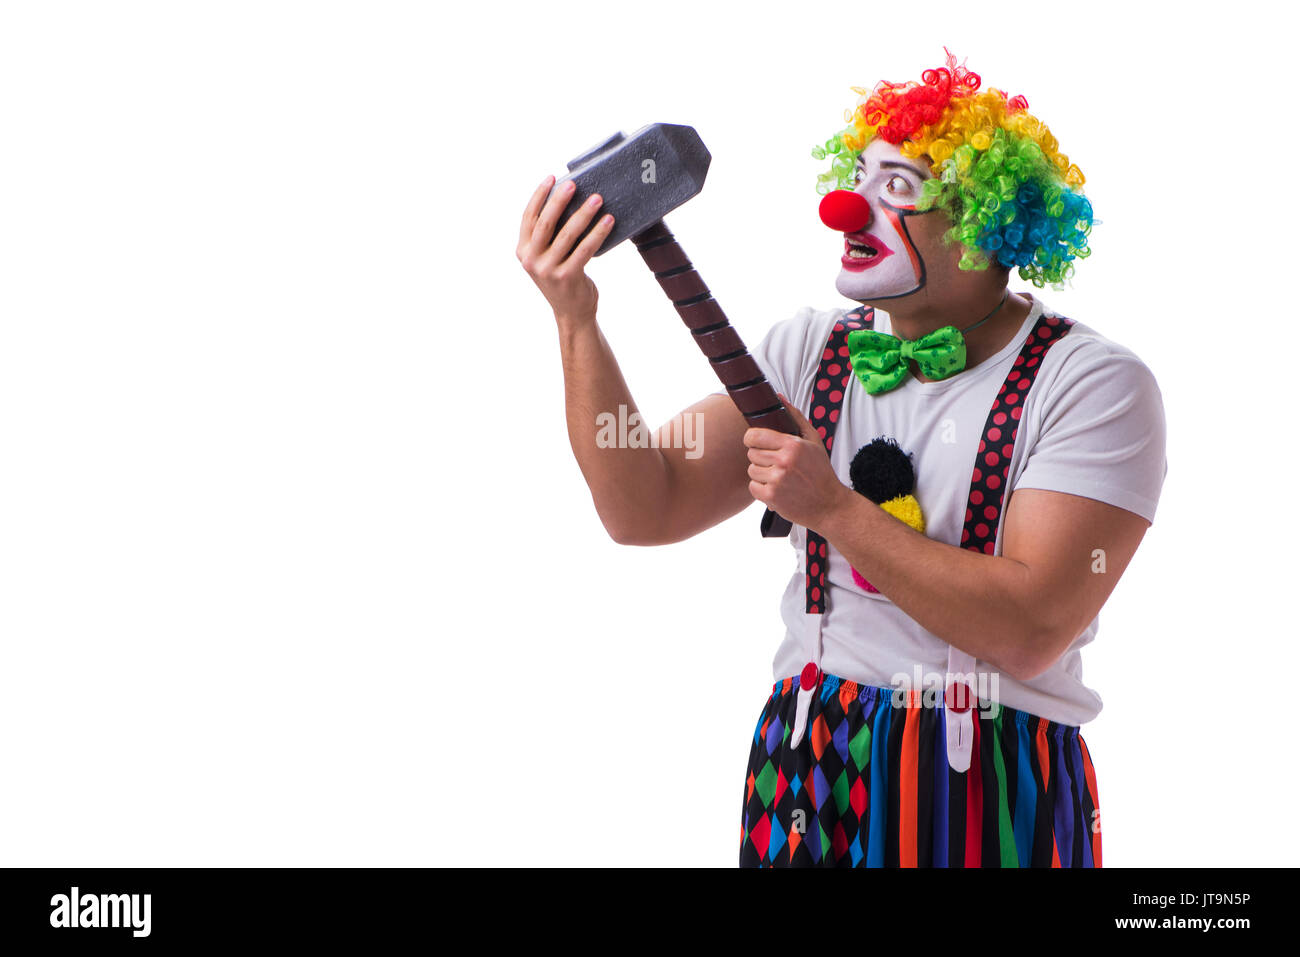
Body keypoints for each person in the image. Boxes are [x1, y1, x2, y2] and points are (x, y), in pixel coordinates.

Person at [516, 51, 1166, 867]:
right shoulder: (810, 350)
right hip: (808, 763)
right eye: (858, 177)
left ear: (989, 224)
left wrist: (831, 509)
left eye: (897, 187)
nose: (845, 208)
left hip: (988, 772)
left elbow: (1031, 627)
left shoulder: (1093, 384)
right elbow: (644, 506)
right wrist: (576, 319)